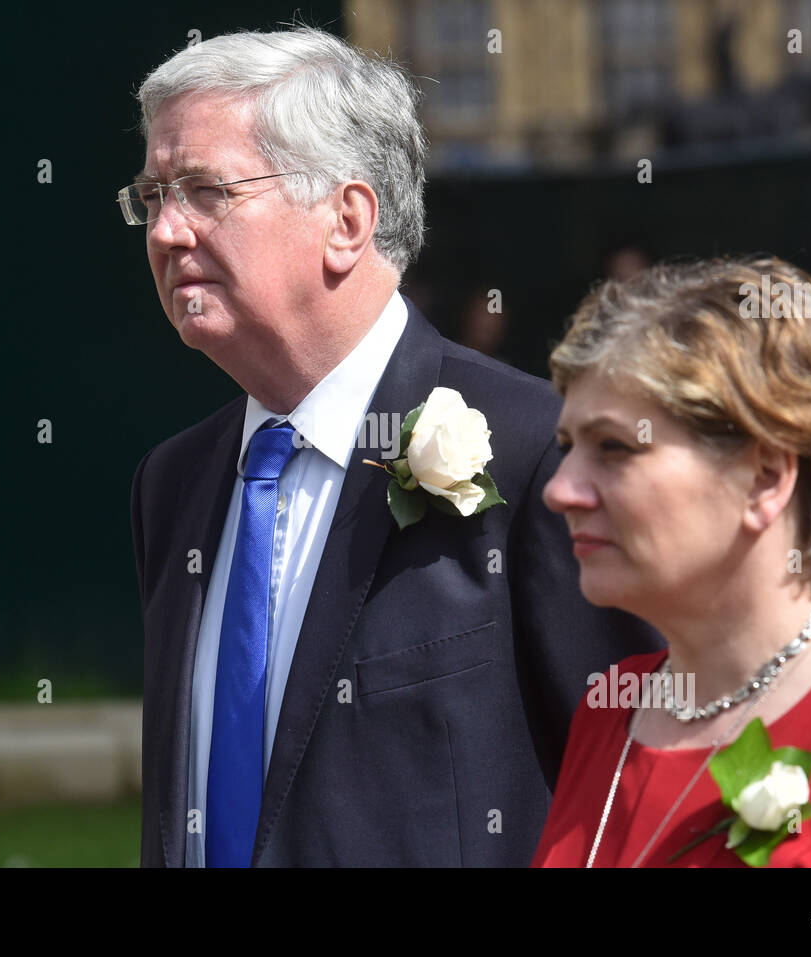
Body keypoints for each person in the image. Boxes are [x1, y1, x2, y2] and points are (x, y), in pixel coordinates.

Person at [126, 27, 660, 867]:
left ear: (347, 220)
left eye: (204, 191)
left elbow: (643, 790)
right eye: (153, 196)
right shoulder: (174, 483)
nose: (166, 232)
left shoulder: (534, 453)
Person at [532, 257, 811, 867]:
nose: (560, 490)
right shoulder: (609, 711)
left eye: (613, 448)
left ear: (765, 478)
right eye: (567, 448)